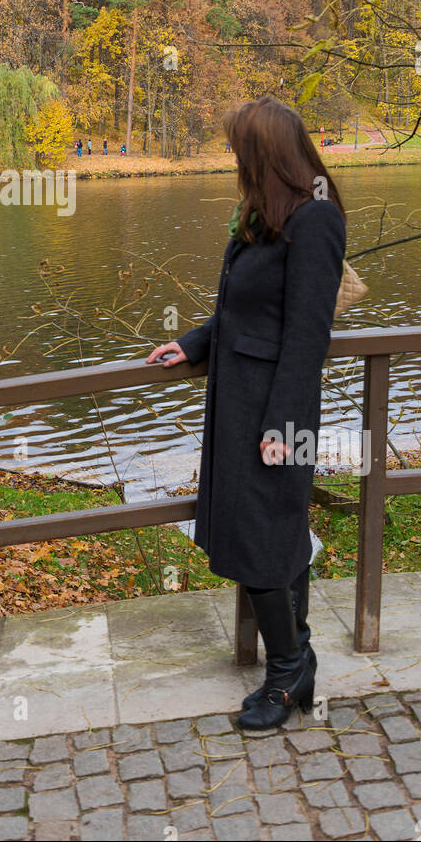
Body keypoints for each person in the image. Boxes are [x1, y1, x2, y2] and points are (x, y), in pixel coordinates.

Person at [146, 96, 346, 731]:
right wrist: (195, 343)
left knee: (265, 536)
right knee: (272, 532)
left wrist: (283, 427)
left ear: (265, 153)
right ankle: (300, 660)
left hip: (275, 412)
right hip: (238, 401)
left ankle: (286, 675)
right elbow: (242, 308)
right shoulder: (265, 215)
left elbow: (307, 333)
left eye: (239, 147)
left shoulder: (316, 221)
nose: (232, 156)